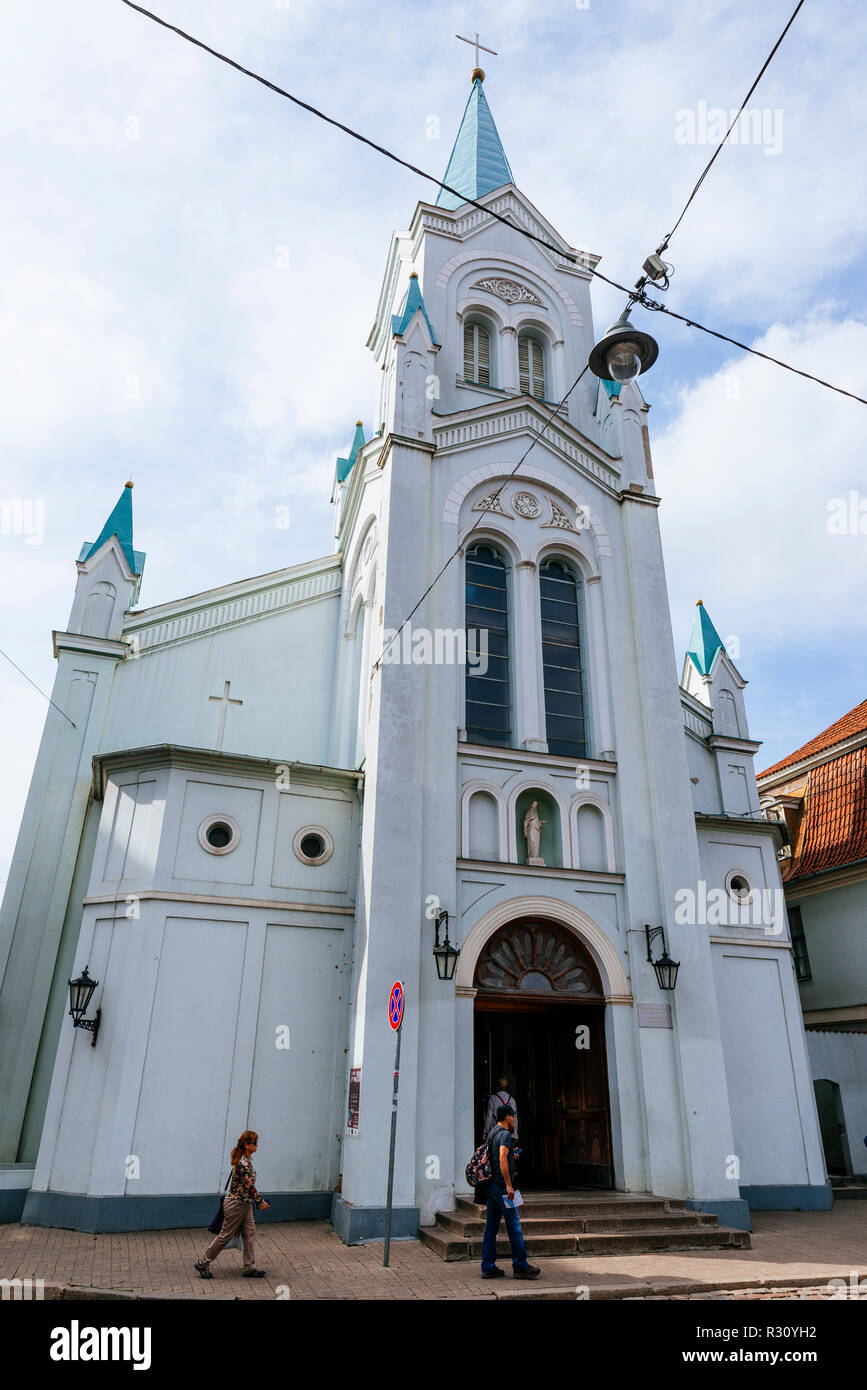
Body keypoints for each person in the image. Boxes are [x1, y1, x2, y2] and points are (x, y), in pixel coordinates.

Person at [195, 1129, 270, 1278]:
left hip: (245, 1204)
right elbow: (249, 1185)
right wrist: (260, 1202)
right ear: (247, 1145)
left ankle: (249, 1267)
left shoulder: (247, 1160)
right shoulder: (243, 1162)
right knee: (225, 1236)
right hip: (236, 1204)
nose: (257, 1146)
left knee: (249, 1233)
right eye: (255, 1143)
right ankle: (203, 1263)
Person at [481, 1105, 540, 1280]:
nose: (514, 1119)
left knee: (491, 1228)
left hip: (492, 1187)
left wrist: (509, 1157)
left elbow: (498, 1156)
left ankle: (488, 1266)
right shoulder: (505, 1134)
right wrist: (509, 1185)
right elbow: (501, 1158)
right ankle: (520, 1266)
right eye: (513, 1117)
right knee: (515, 1227)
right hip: (503, 1188)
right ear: (507, 1117)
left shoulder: (493, 1133)